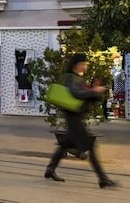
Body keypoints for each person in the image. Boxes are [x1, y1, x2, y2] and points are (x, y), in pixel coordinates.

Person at [45, 53, 116, 188]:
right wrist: (95, 91)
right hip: (73, 117)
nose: (85, 66)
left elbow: (82, 95)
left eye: (85, 64)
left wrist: (95, 91)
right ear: (76, 64)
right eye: (83, 64)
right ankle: (103, 179)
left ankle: (50, 169)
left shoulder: (77, 78)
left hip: (75, 117)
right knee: (90, 146)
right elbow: (77, 94)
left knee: (65, 144)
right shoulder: (71, 78)